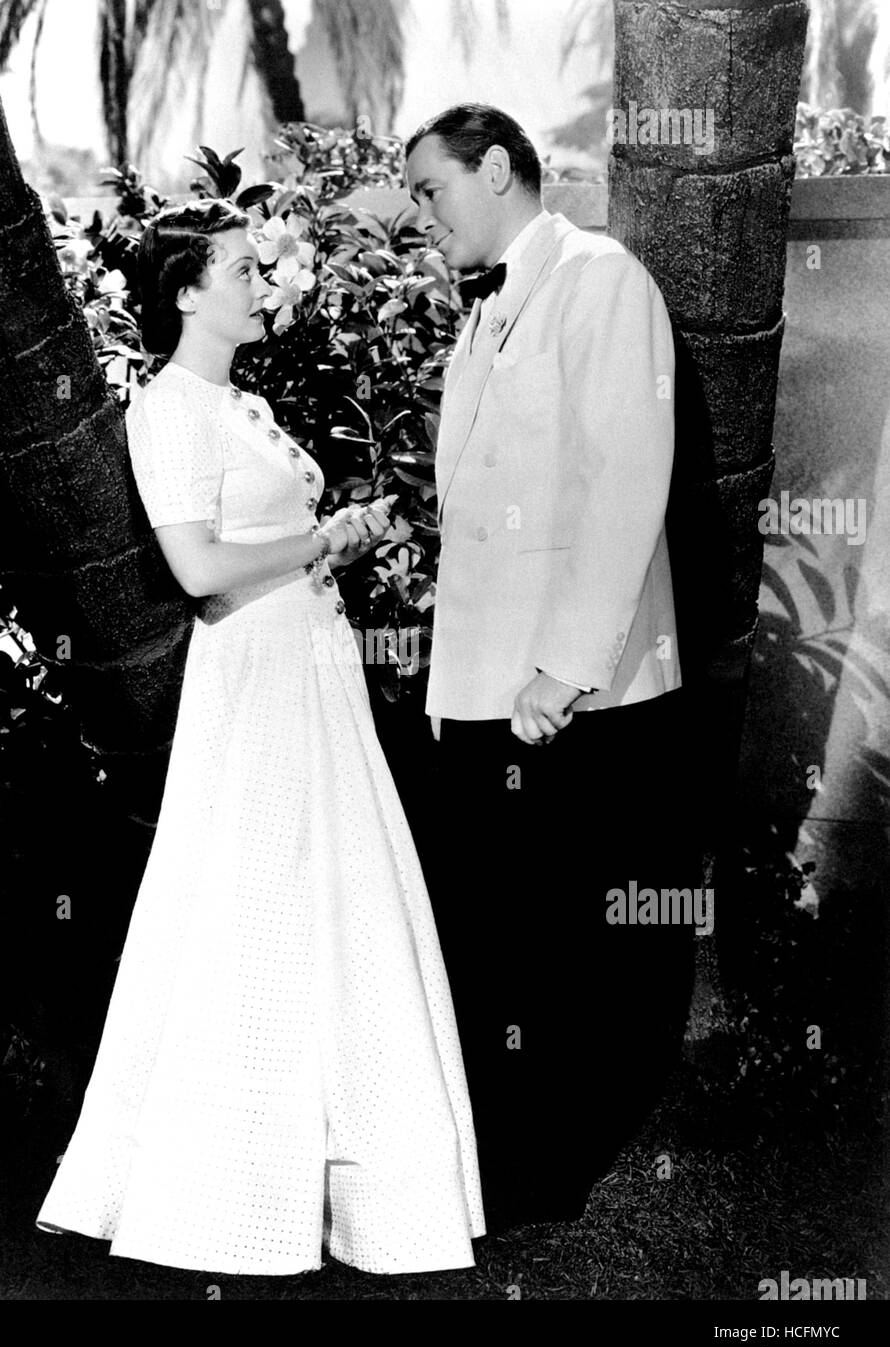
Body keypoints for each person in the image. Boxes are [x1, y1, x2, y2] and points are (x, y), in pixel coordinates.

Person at [34, 199, 484, 1276]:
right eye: (238, 268)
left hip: (311, 667)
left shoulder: (240, 403)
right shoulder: (168, 410)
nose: (258, 282)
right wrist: (320, 536)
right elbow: (198, 573)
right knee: (254, 905)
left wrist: (339, 539)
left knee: (344, 901)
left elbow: (271, 546)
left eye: (257, 265)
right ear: (185, 291)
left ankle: (373, 1193)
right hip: (256, 678)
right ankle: (226, 1190)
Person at [405, 105, 698, 1232]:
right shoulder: (485, 313)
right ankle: (507, 1156)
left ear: (496, 169)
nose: (421, 218)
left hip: (573, 699)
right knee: (504, 935)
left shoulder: (600, 279)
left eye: (430, 192)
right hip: (487, 694)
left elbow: (629, 480)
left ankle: (550, 1166)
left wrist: (562, 671)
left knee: (575, 947)